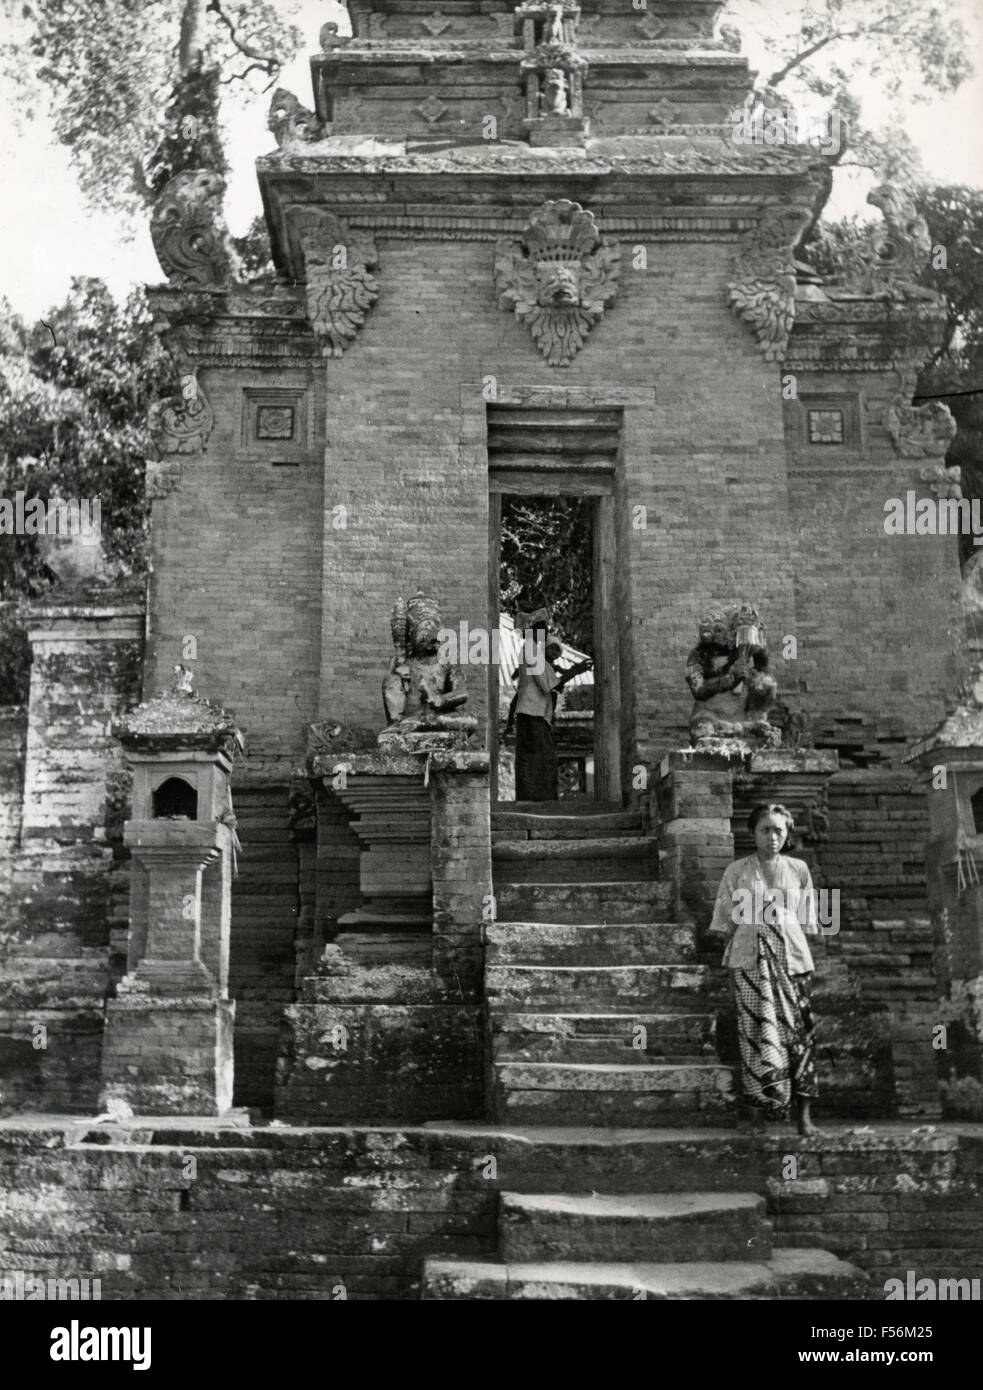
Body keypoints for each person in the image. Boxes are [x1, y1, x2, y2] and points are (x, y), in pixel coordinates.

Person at [707, 802, 822, 1137]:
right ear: (753, 832)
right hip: (748, 961)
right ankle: (757, 1115)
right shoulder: (737, 871)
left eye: (779, 830)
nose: (773, 837)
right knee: (755, 1036)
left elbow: (810, 920)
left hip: (792, 961)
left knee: (799, 1037)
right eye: (765, 829)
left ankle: (804, 1118)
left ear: (787, 834)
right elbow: (723, 921)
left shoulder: (800, 869)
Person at [506, 611, 591, 802]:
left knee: (535, 758)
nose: (545, 632)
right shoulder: (531, 650)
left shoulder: (533, 650)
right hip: (531, 711)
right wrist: (576, 671)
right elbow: (551, 685)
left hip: (534, 712)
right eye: (542, 628)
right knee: (544, 758)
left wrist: (570, 671)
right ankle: (539, 801)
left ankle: (534, 799)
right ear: (533, 631)